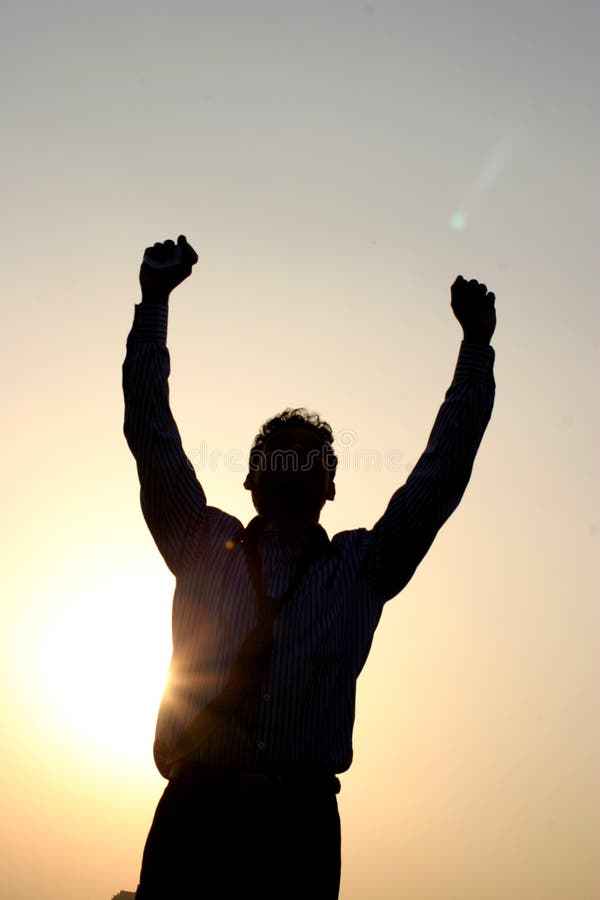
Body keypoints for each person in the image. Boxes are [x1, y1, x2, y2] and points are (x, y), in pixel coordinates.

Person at [123, 235, 496, 899]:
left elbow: (442, 473)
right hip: (195, 816)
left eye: (310, 457)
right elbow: (150, 429)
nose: (293, 463)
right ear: (249, 476)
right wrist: (154, 301)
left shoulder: (364, 566)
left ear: (329, 484)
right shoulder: (198, 540)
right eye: (278, 452)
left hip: (299, 826)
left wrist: (475, 351)